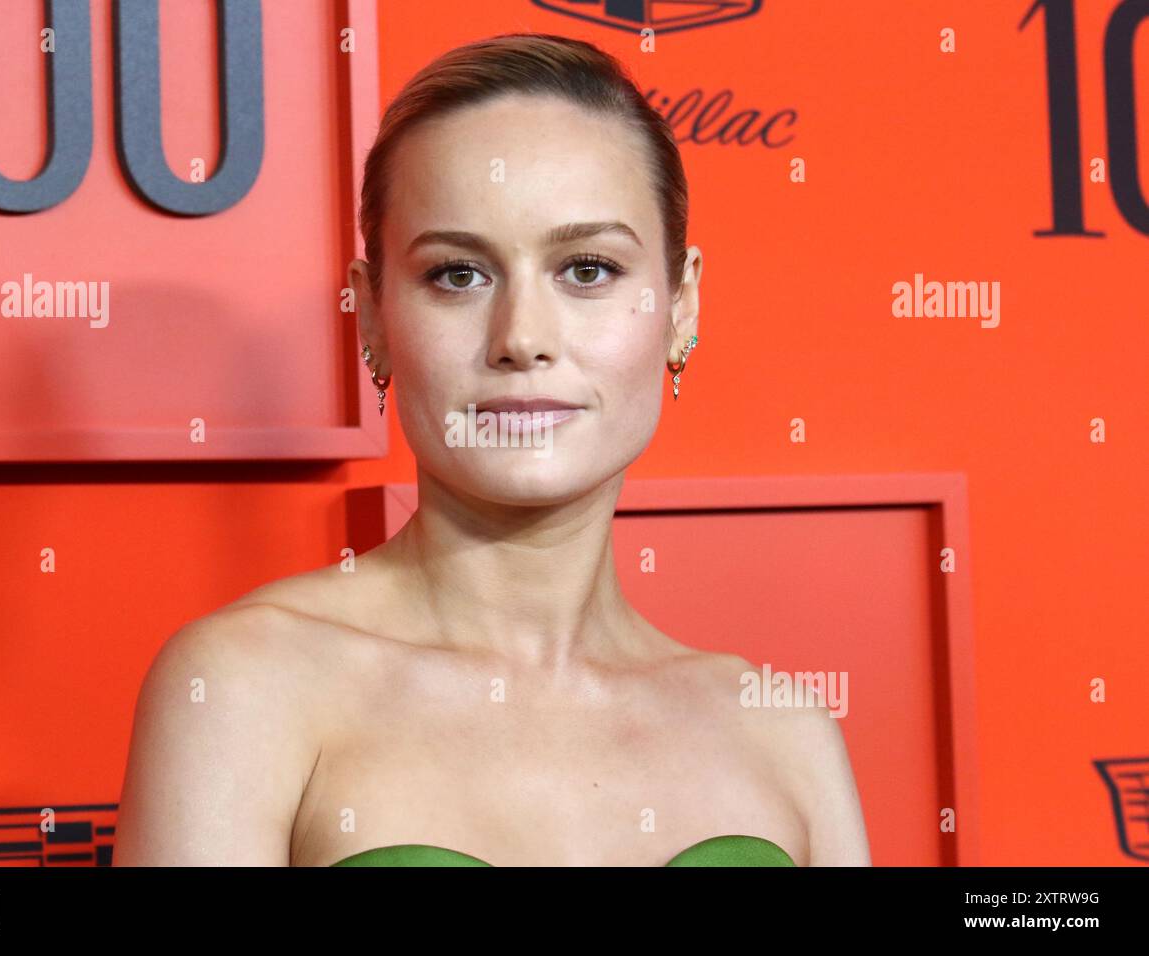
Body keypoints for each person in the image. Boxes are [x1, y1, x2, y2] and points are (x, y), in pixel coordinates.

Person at [114, 32, 870, 867]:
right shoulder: (243, 687)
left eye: (586, 269)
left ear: (680, 305)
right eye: (458, 275)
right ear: (371, 318)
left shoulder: (782, 730)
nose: (522, 339)